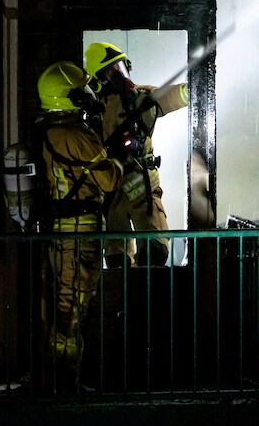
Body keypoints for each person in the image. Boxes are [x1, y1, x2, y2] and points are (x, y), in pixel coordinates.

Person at [33, 60, 122, 390]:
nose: (87, 94)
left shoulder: (47, 131)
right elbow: (109, 179)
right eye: (80, 90)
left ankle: (59, 376)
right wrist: (117, 159)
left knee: (63, 301)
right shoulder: (77, 135)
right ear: (66, 96)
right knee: (74, 305)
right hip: (80, 232)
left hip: (60, 232)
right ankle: (64, 381)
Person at [83, 41, 189, 268]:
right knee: (116, 260)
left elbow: (167, 97)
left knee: (155, 253)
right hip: (112, 196)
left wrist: (192, 89)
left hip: (144, 193)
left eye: (122, 68)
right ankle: (124, 303)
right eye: (113, 72)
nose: (122, 77)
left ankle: (149, 302)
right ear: (97, 80)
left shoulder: (140, 99)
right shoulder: (92, 112)